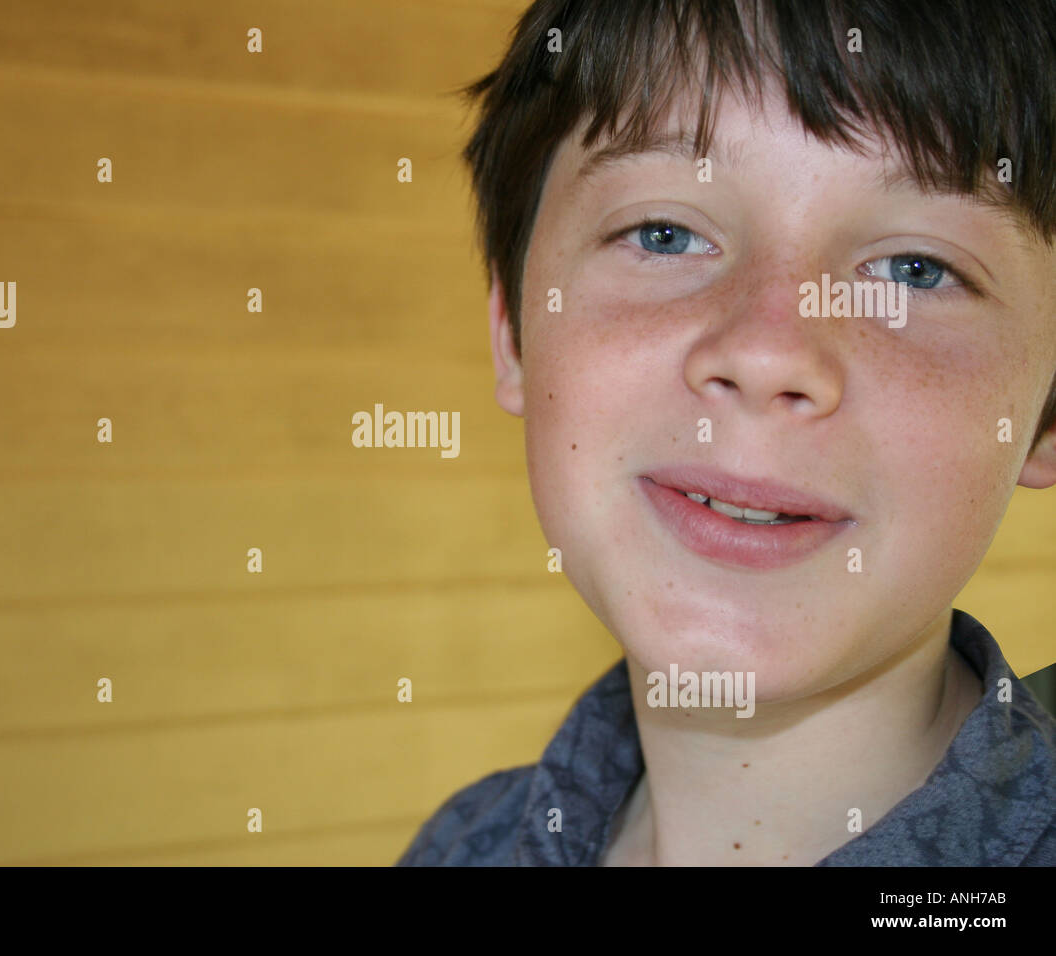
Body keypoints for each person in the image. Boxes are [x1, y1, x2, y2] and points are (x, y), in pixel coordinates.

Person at [397, 0, 1056, 866]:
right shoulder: (461, 846)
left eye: (915, 269)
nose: (765, 350)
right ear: (515, 332)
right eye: (663, 233)